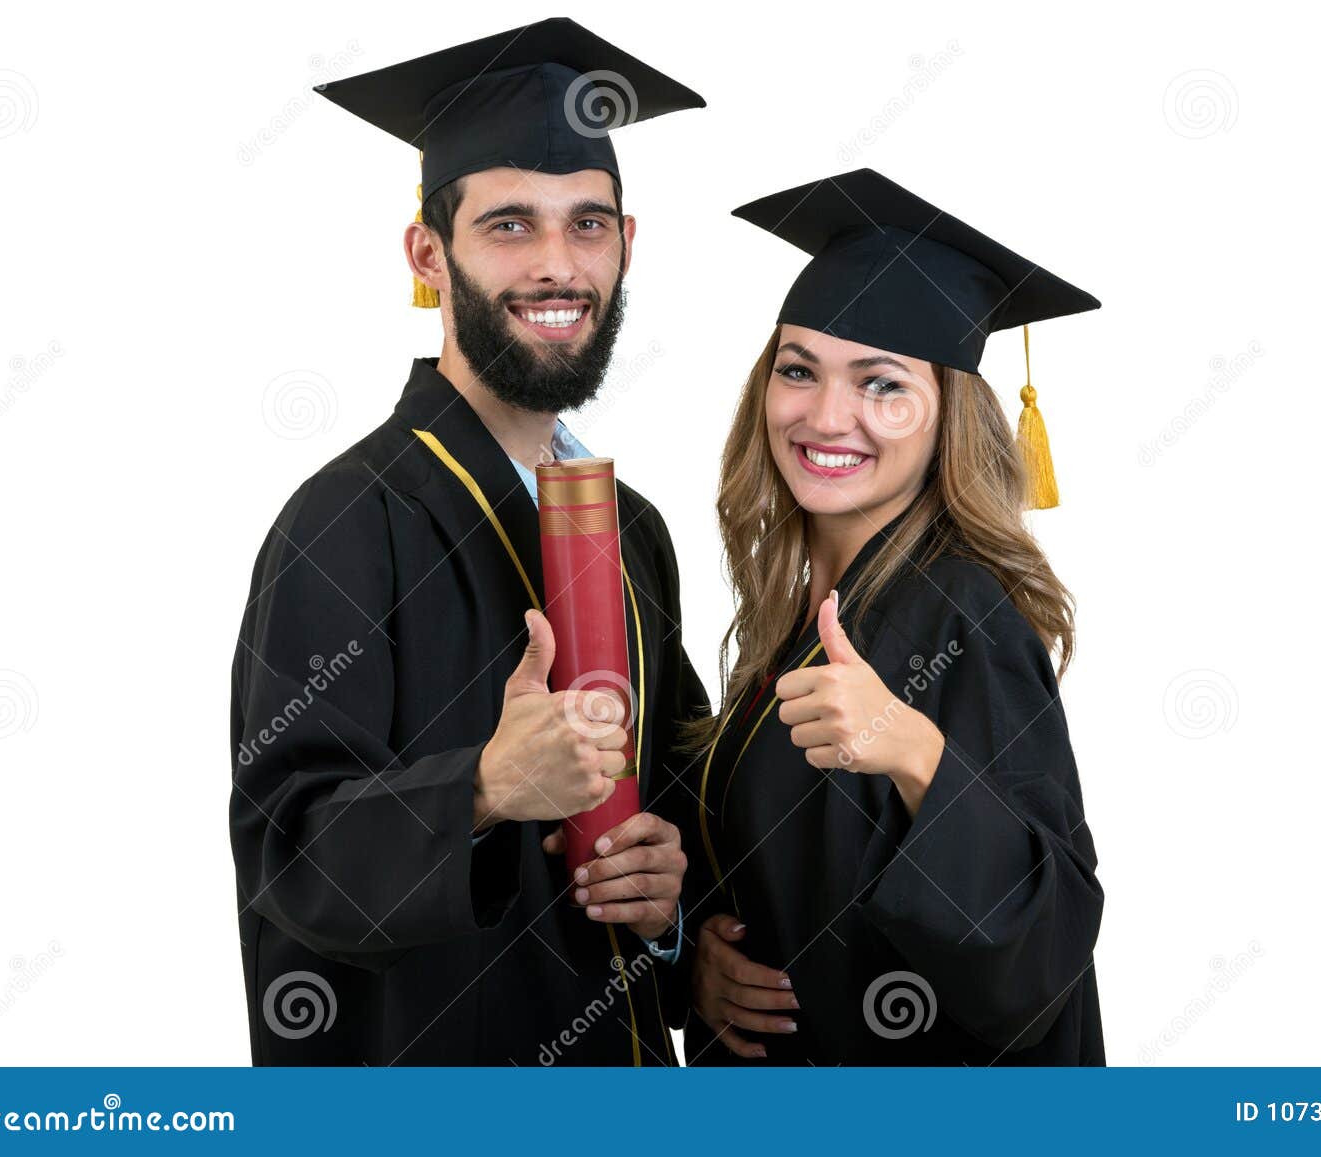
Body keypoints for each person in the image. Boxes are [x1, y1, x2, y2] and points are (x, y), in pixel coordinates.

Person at [229, 18, 709, 1066]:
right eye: (509, 226)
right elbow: (285, 852)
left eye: (588, 225)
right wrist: (484, 786)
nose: (557, 265)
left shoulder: (636, 532)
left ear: (630, 243)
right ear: (427, 254)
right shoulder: (346, 521)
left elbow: (683, 803)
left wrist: (671, 893)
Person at [677, 168, 1105, 1065]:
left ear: (948, 414)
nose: (828, 415)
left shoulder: (957, 616)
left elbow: (1047, 937)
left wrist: (912, 750)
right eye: (799, 370)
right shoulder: (810, 615)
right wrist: (697, 967)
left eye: (883, 384)